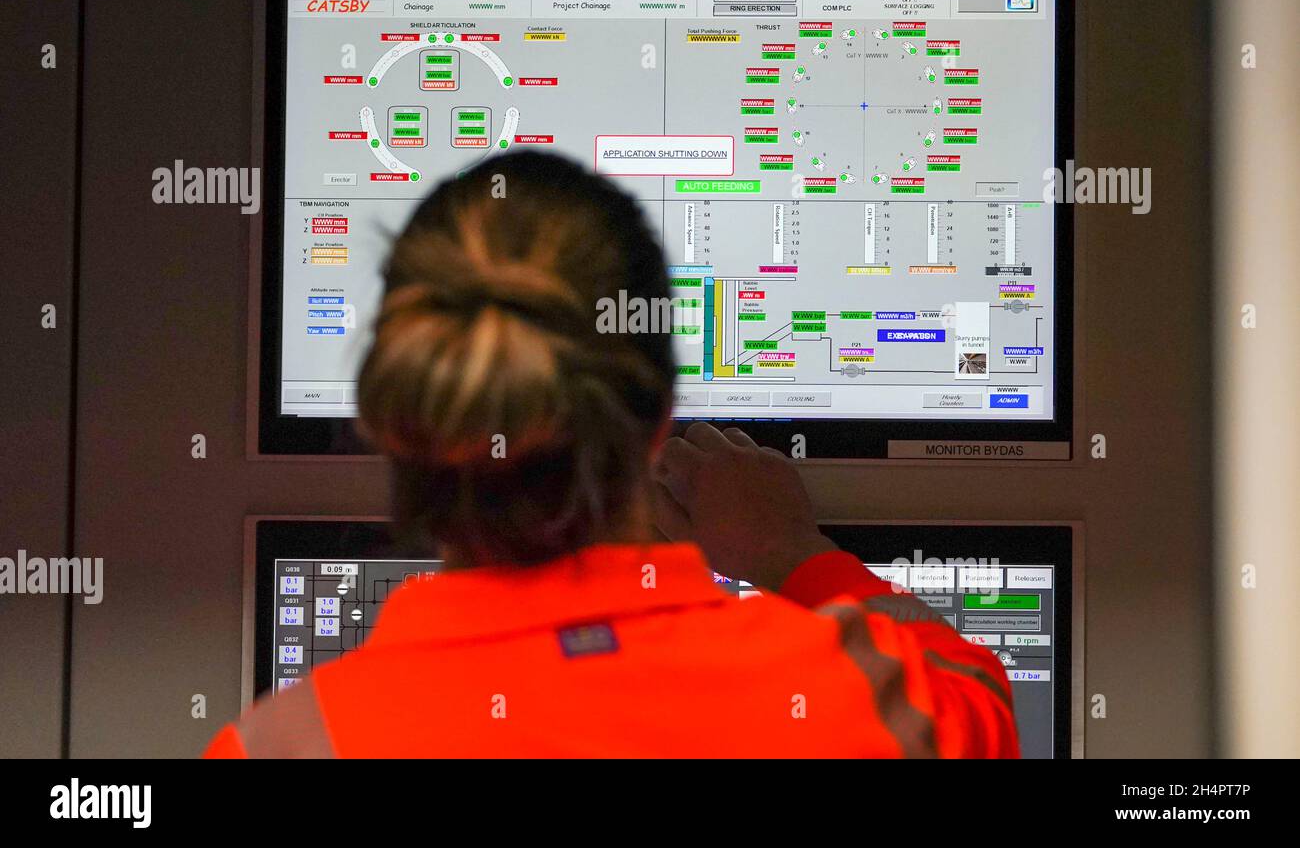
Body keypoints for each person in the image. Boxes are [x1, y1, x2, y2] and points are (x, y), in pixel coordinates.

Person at [206, 152, 1017, 758]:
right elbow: (980, 693)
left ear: (398, 426)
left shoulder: (281, 748)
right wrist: (791, 553)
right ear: (660, 417)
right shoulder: (852, 705)